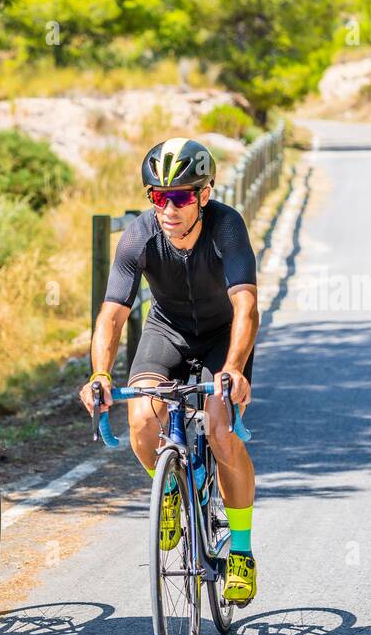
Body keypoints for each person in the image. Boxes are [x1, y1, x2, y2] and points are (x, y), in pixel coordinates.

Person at [79, 137, 260, 602]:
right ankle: (171, 488)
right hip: (167, 332)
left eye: (179, 196)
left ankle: (239, 549)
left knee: (220, 430)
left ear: (203, 194)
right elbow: (113, 313)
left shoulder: (227, 228)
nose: (169, 207)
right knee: (141, 417)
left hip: (223, 337)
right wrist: (100, 373)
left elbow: (246, 306)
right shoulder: (140, 235)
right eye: (158, 196)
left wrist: (235, 369)